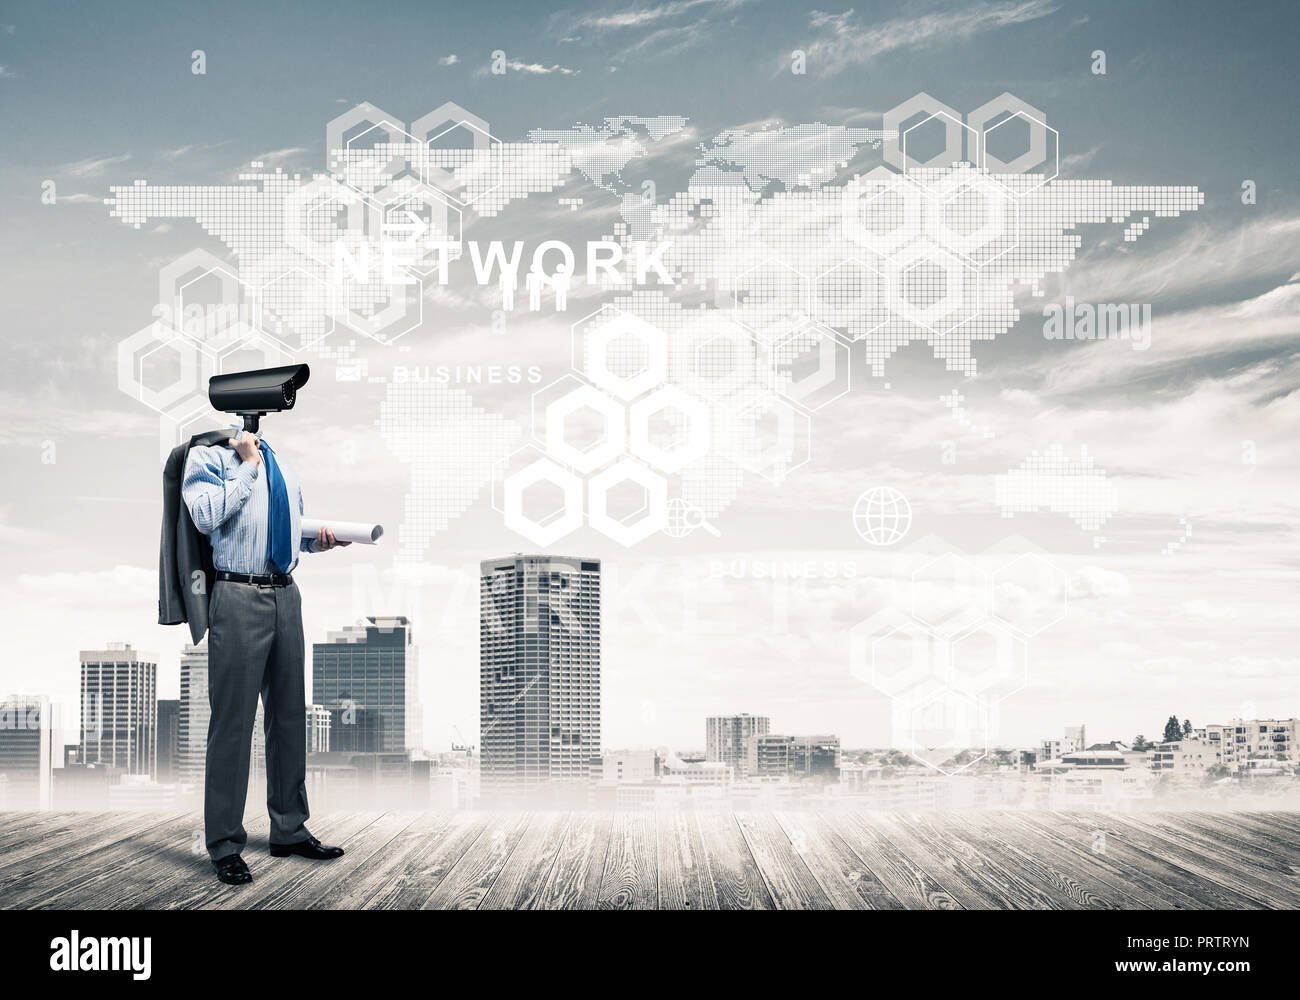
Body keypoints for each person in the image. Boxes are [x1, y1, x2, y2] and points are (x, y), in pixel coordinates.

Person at [181, 426, 349, 886]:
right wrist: (249, 464)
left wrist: (317, 541)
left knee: (290, 718)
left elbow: (283, 530)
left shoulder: (284, 465)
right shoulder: (209, 458)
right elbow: (204, 515)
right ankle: (224, 845)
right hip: (236, 593)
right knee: (233, 723)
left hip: (286, 596)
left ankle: (289, 830)